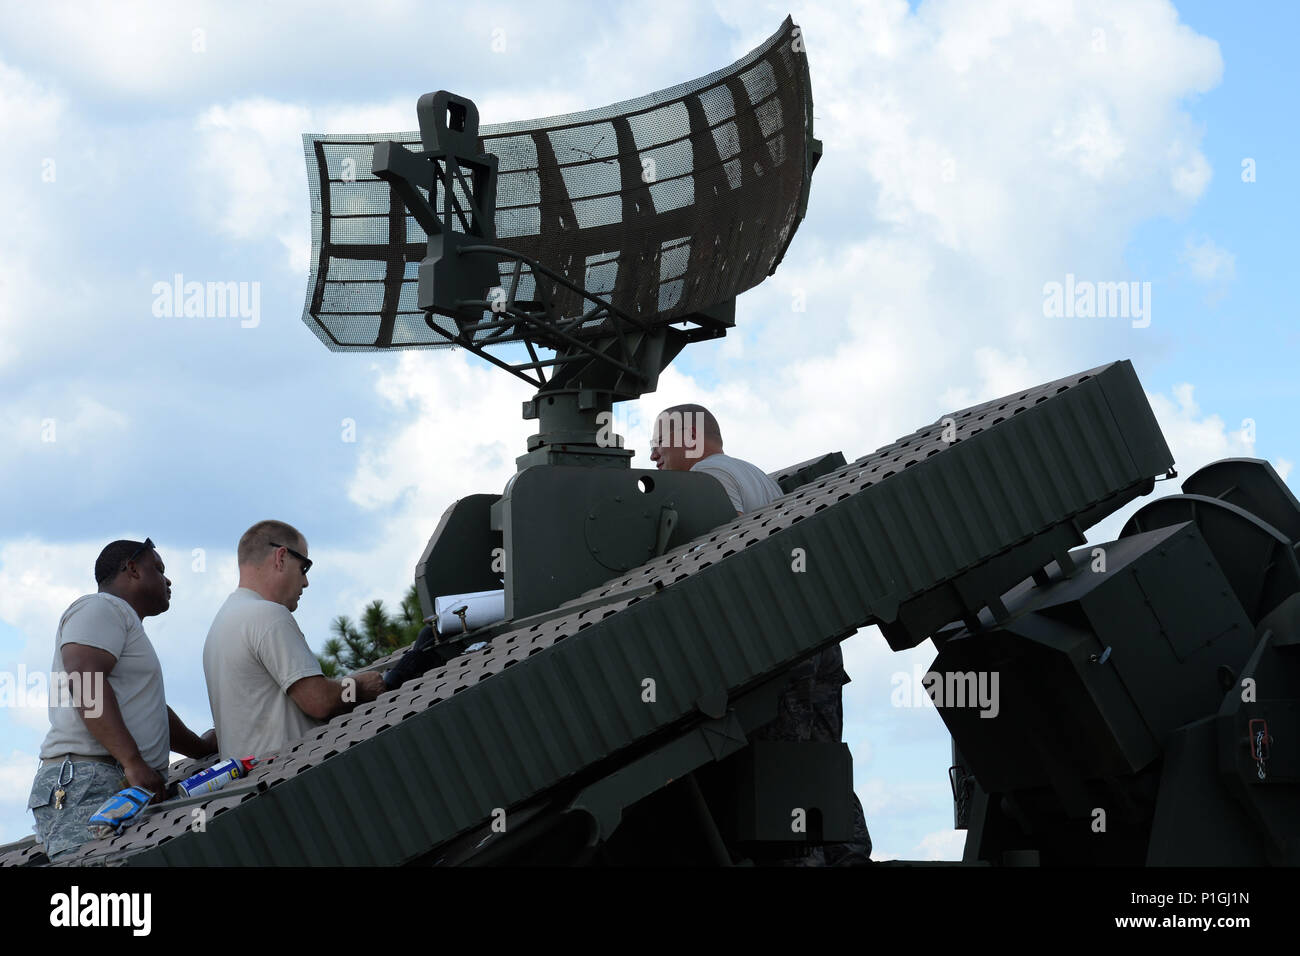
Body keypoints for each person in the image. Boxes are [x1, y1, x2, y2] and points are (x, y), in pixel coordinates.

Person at [650, 405, 873, 865]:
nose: (653, 454)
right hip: (819, 637)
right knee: (821, 751)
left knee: (781, 758)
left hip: (780, 642)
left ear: (689, 438)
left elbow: (733, 560)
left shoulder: (708, 482)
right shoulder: (755, 476)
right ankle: (848, 852)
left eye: (660, 441)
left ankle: (802, 858)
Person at [27, 538, 217, 861]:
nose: (167, 580)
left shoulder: (123, 625)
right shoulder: (100, 607)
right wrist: (132, 761)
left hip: (107, 779)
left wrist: (200, 748)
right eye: (158, 569)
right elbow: (85, 678)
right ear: (131, 569)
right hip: (90, 779)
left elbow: (152, 712)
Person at [202, 520, 384, 759]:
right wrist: (359, 686)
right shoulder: (268, 615)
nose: (306, 582)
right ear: (281, 557)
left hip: (255, 784)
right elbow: (319, 700)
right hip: (294, 775)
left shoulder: (219, 627)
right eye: (304, 568)